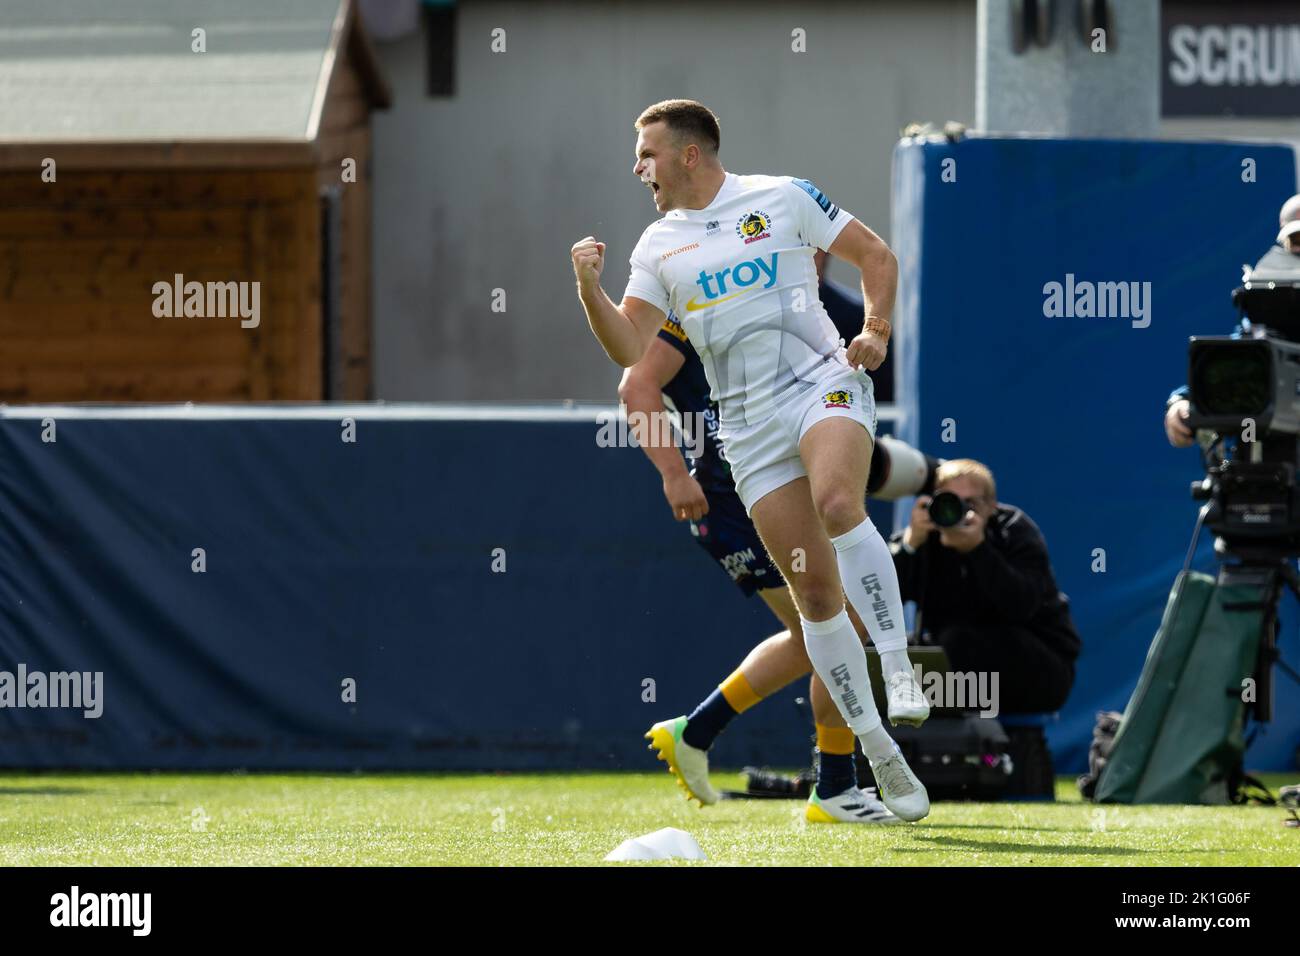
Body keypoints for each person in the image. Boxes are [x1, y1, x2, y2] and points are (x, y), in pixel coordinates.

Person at [570, 98, 930, 822]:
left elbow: (879, 258)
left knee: (838, 506)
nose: (637, 167)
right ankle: (873, 759)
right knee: (818, 607)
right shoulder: (658, 247)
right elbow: (629, 355)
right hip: (749, 434)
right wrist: (588, 288)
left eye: (646, 153)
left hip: (821, 387)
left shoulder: (785, 197)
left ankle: (898, 665)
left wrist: (878, 332)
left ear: (690, 154)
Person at [620, 298, 935, 823]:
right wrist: (673, 472)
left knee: (818, 630)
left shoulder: (789, 291)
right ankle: (833, 783)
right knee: (835, 622)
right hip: (732, 496)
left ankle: (701, 734)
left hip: (766, 483)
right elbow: (635, 385)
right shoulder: (696, 284)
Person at [890, 459, 1081, 713]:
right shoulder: (924, 534)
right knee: (882, 650)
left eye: (970, 503)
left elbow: (1021, 606)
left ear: (991, 506)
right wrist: (910, 545)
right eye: (950, 500)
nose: (958, 511)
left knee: (956, 641)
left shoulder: (1012, 530)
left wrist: (978, 550)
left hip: (1038, 668)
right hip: (956, 669)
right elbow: (883, 601)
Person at [1165, 192, 1300, 447]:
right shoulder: (1259, 334)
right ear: (1285, 240)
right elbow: (1228, 373)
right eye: (1299, 239)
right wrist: (1180, 404)